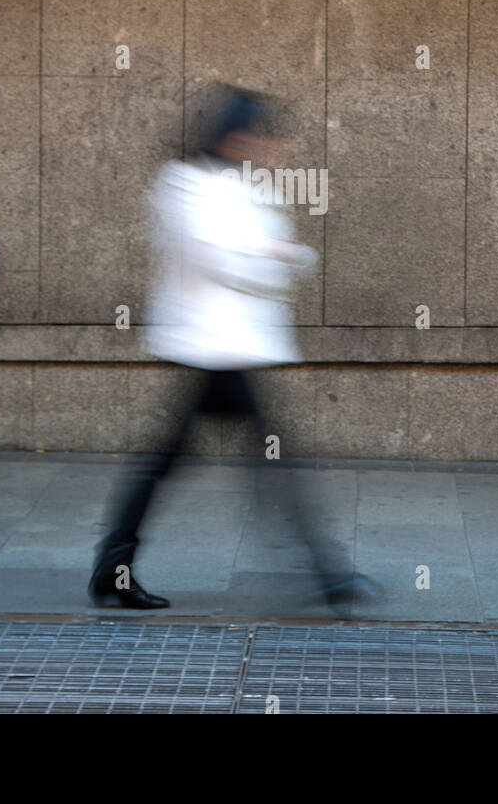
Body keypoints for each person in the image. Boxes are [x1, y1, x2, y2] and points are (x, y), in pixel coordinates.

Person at [88, 88, 376, 612]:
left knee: (176, 461)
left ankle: (114, 567)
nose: (267, 147)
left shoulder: (239, 187)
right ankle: (329, 575)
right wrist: (274, 255)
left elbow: (268, 254)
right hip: (210, 344)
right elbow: (221, 258)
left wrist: (272, 255)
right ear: (233, 136)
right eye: (258, 136)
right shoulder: (183, 185)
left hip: (231, 347)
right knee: (265, 461)